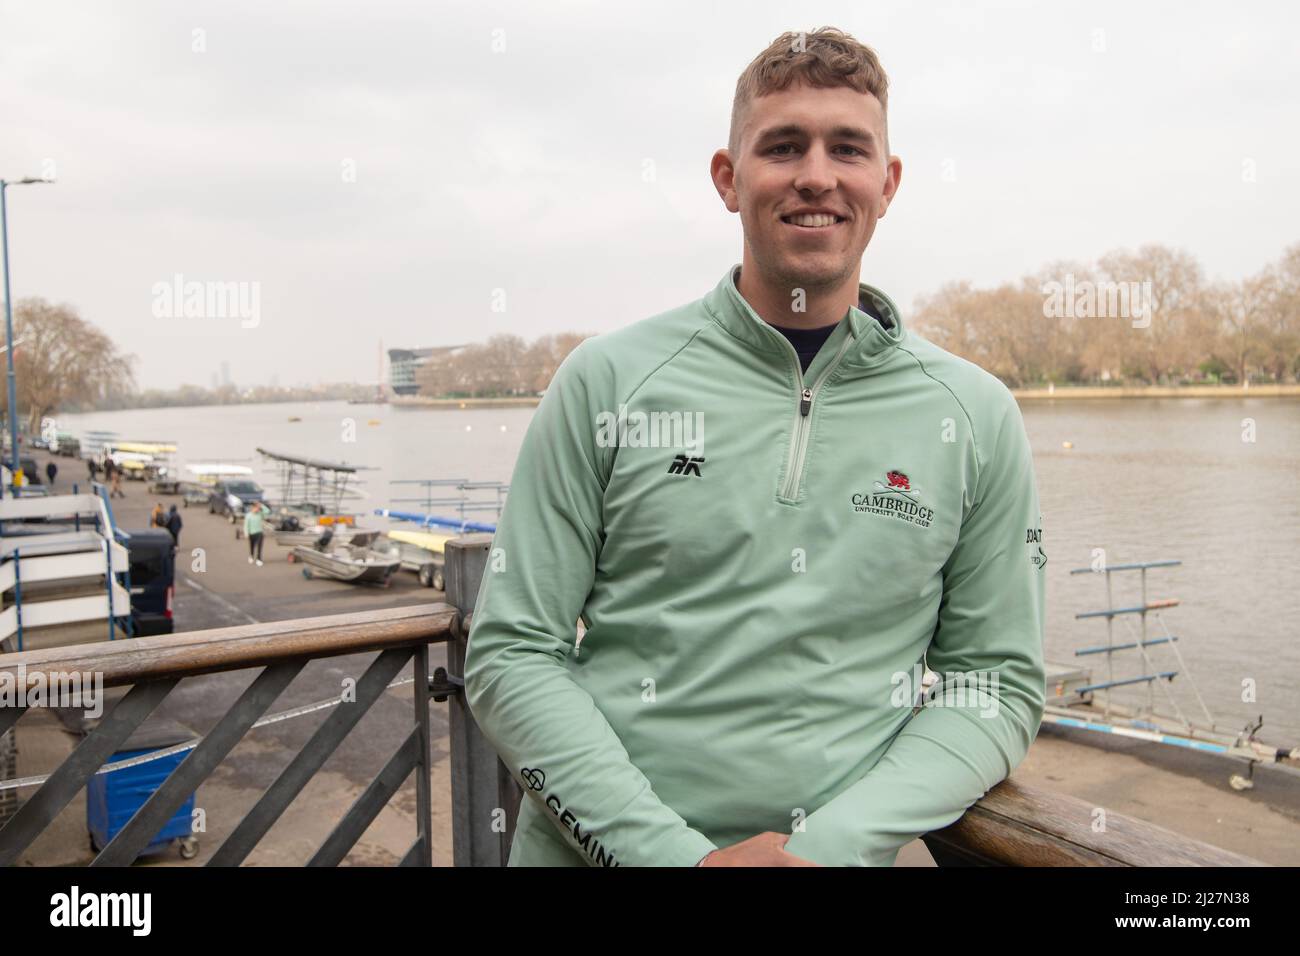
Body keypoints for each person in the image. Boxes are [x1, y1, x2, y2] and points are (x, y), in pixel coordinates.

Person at [463, 28, 1045, 868]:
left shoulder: (976, 415)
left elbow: (995, 684)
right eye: (783, 146)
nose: (817, 174)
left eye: (847, 148)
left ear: (887, 183)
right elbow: (513, 653)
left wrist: (829, 849)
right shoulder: (605, 380)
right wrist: (674, 859)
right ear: (728, 181)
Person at [244, 500, 268, 566]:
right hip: (251, 533)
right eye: (255, 508)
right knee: (252, 546)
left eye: (257, 508)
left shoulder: (260, 514)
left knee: (259, 547)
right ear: (252, 508)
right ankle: (251, 556)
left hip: (259, 533)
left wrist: (261, 505)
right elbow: (246, 525)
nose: (256, 509)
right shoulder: (248, 515)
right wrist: (246, 533)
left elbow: (267, 511)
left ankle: (259, 559)